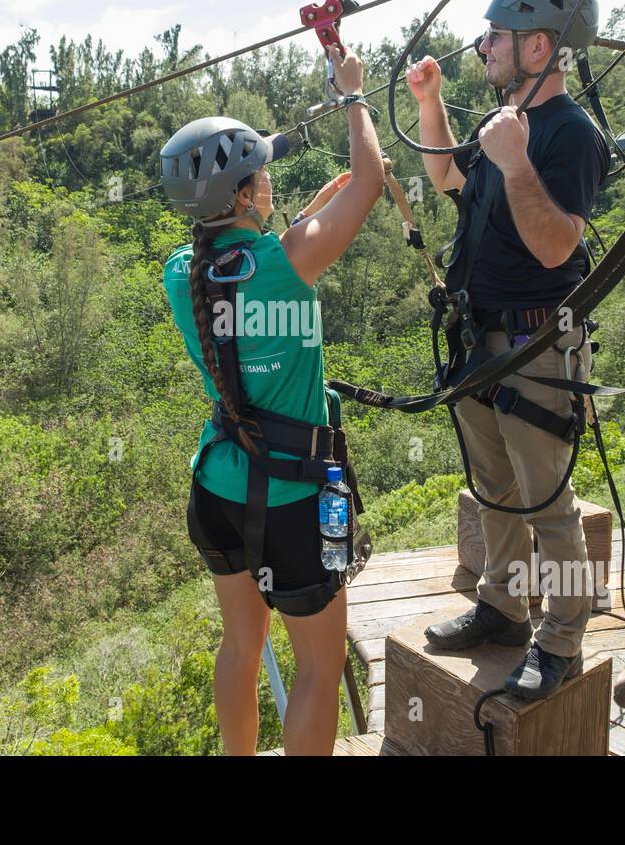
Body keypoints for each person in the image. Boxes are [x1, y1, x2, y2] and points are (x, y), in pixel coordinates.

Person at [160, 44, 384, 754]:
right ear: (246, 193)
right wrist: (354, 96)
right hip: (292, 501)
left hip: (219, 487)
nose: (269, 186)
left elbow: (263, 255)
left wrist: (306, 215)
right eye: (262, 178)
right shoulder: (288, 267)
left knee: (240, 648)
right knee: (319, 665)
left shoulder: (179, 273)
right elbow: (371, 181)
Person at [406, 0, 610, 700]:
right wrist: (430, 105)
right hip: (479, 341)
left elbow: (558, 247)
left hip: (534, 348)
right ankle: (501, 605)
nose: (482, 46)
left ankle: (562, 640)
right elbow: (447, 181)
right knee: (494, 488)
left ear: (537, 46)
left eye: (494, 36)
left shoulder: (569, 136)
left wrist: (518, 160)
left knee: (547, 497)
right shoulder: (499, 126)